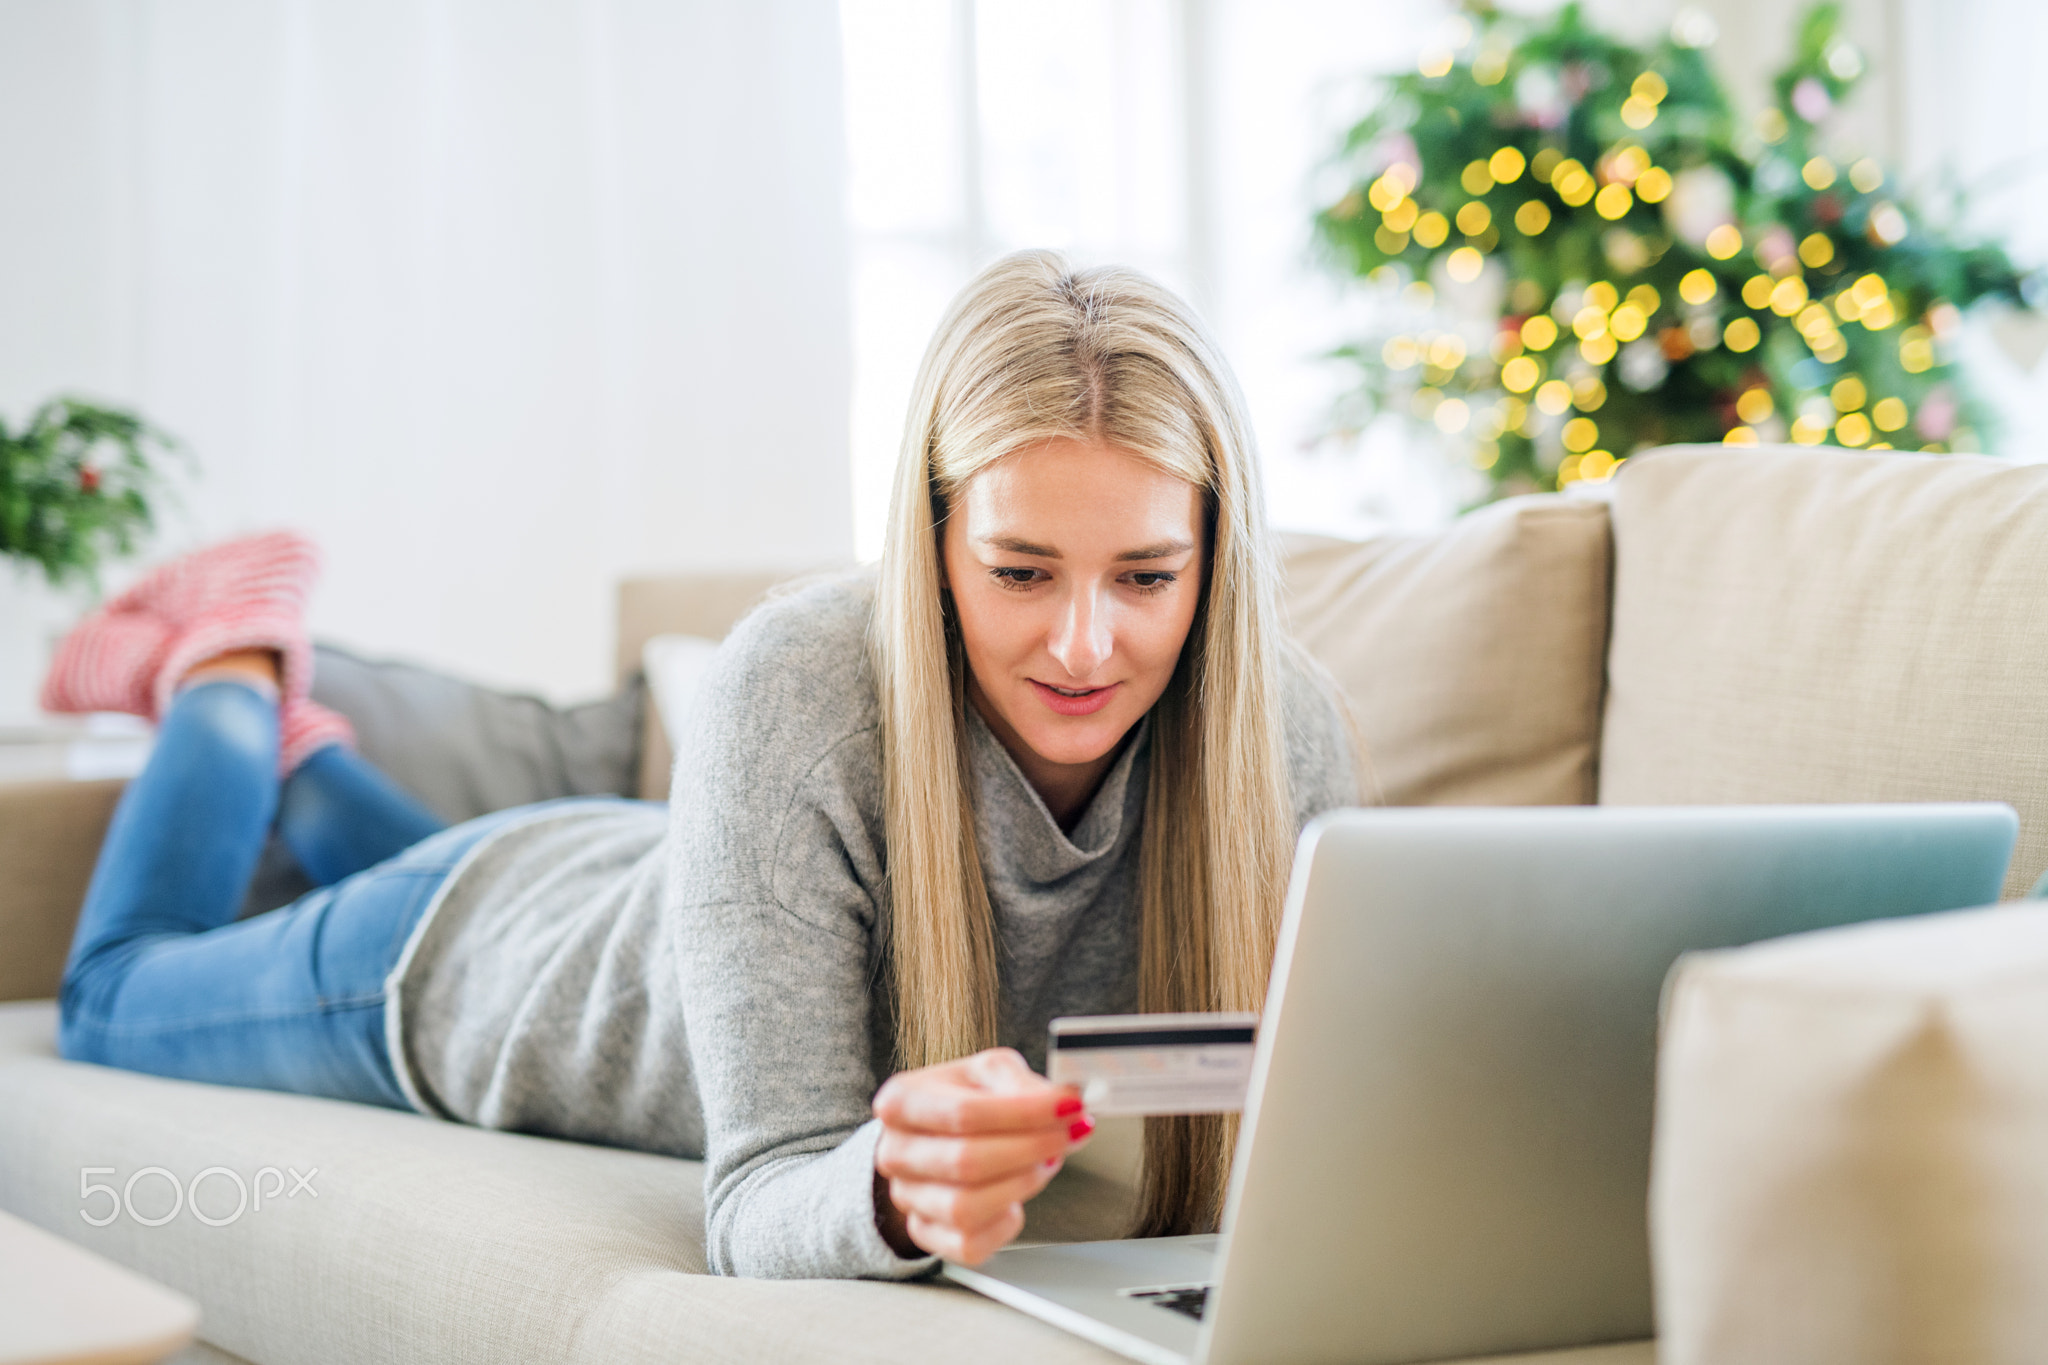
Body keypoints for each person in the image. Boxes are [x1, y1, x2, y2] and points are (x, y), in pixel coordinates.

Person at [48, 250, 1359, 1280]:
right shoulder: (797, 680)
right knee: (111, 997)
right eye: (1020, 571)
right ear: (933, 535)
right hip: (468, 958)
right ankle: (231, 673)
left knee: (360, 835)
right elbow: (760, 1193)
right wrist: (888, 1190)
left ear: (1215, 554)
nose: (1085, 642)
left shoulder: (1280, 729)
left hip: (635, 879)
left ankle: (313, 766)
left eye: (1147, 575)